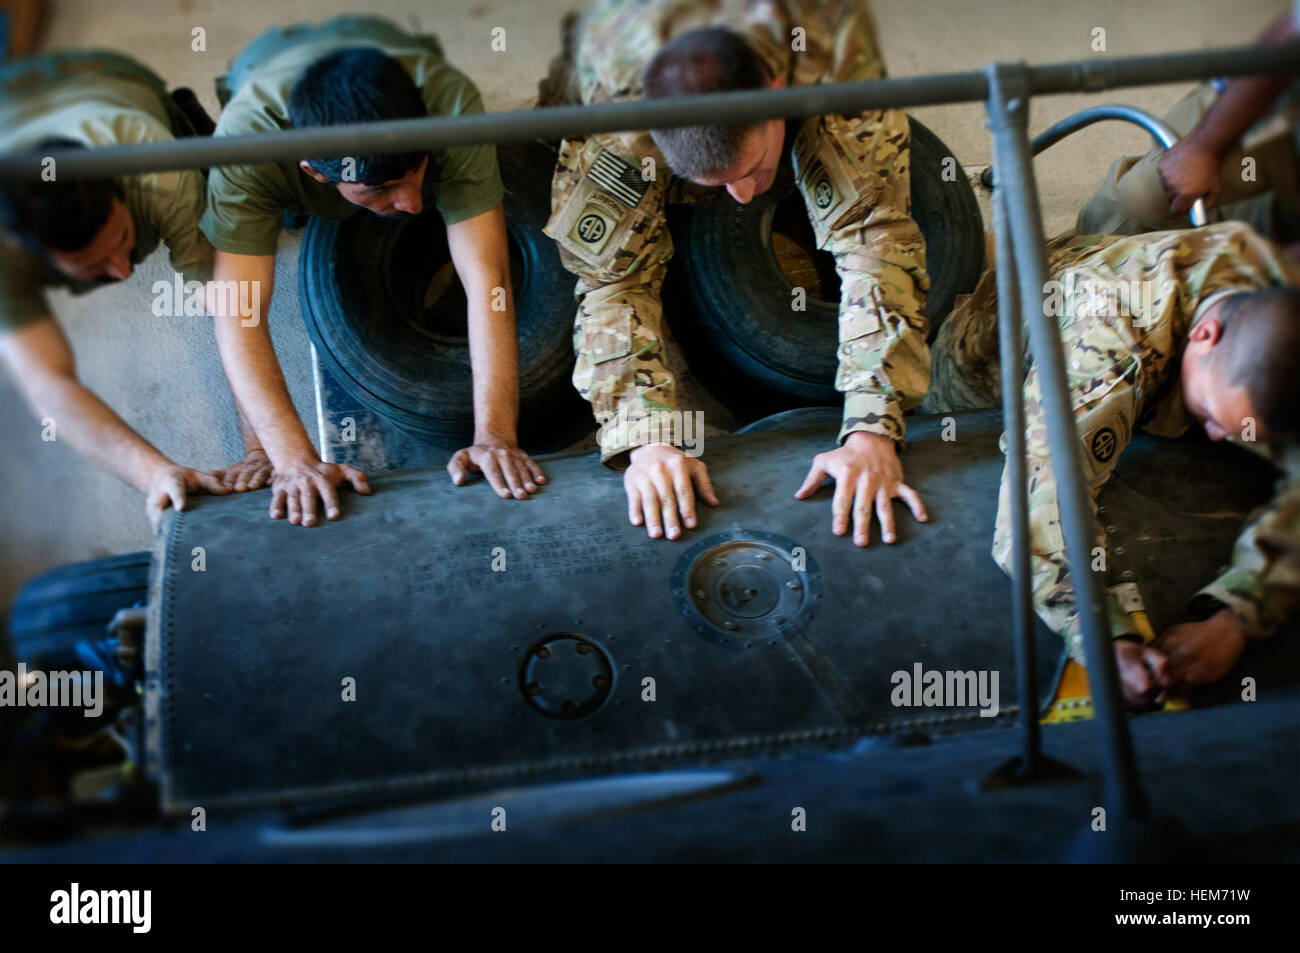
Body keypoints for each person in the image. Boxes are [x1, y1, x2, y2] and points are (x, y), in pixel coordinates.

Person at [545, 0, 931, 545]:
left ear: (775, 95)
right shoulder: (616, 101)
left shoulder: (835, 56)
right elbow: (614, 281)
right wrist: (648, 437)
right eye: (716, 183)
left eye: (750, 171)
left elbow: (875, 242)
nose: (745, 197)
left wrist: (872, 429)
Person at [922, 221, 1300, 707]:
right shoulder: (1106, 346)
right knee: (950, 450)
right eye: (1212, 415)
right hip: (984, 363)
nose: (1215, 438)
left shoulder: (1275, 289)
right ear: (1205, 335)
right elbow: (1039, 504)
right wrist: (1103, 637)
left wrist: (1239, 616)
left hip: (1141, 324)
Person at [201, 15, 545, 527]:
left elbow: (488, 281)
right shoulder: (246, 145)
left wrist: (495, 436)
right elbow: (238, 316)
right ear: (314, 172)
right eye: (379, 192)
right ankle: (305, 196)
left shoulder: (448, 103)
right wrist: (292, 460)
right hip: (264, 65)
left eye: (413, 176)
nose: (409, 204)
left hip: (383, 50)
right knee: (266, 237)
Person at [0, 49, 267, 529]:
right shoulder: (5, 252)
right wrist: (155, 472)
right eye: (93, 265)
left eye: (123, 243)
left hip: (104, 71)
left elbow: (231, 307)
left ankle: (184, 119)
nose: (123, 271)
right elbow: (47, 382)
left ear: (120, 189)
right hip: (11, 102)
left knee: (233, 205)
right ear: (29, 252)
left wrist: (260, 447)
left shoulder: (158, 170)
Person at [1077, 4, 1300, 248]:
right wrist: (1204, 148)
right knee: (1148, 195)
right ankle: (1078, 253)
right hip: (1281, 115)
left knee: (1246, 257)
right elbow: (1289, 40)